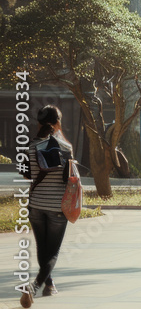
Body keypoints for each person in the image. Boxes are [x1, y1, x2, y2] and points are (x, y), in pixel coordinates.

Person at [20, 105, 74, 308]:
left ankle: (49, 285)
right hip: (57, 207)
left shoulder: (30, 146)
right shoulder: (65, 147)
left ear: (39, 123)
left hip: (36, 205)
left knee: (42, 248)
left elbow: (26, 174)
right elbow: (69, 179)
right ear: (58, 122)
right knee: (52, 253)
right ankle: (33, 287)